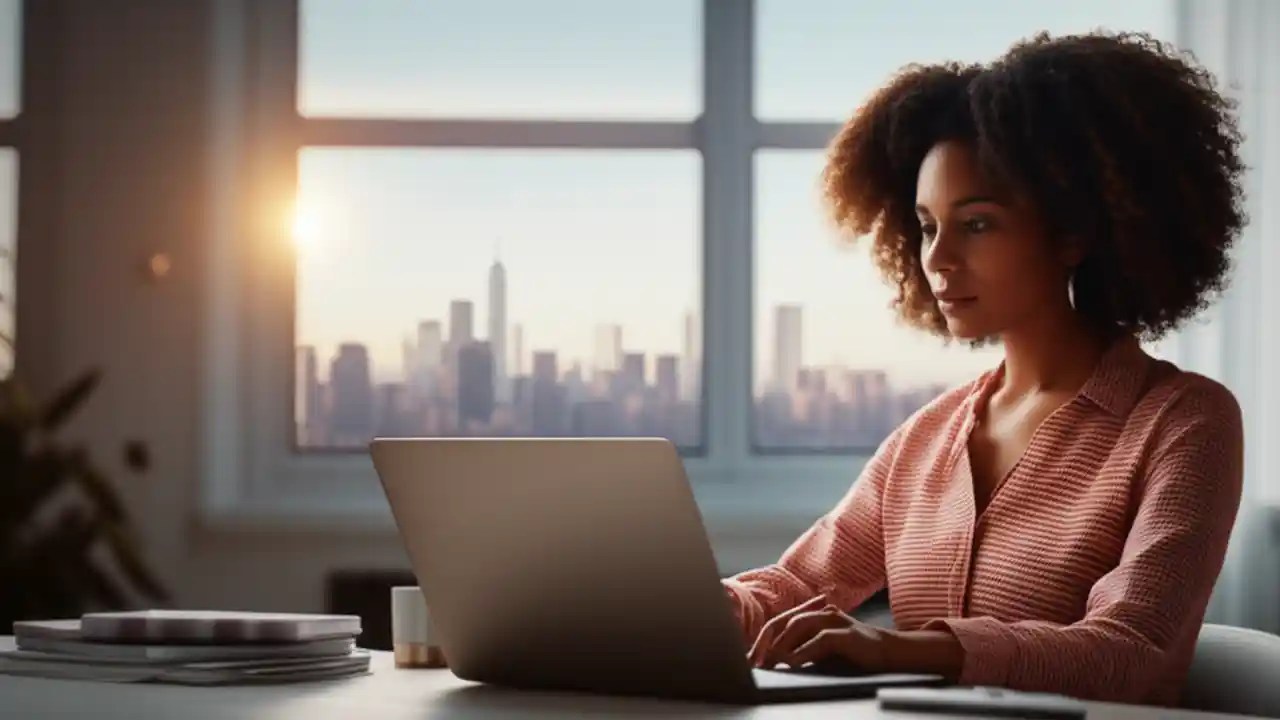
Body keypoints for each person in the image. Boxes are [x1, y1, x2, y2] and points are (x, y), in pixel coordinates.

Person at [723, 31, 1246, 707]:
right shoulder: (925, 439)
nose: (936, 260)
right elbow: (790, 588)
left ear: (1074, 231)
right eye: (925, 226)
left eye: (975, 225)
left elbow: (1136, 654)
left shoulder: (1181, 422)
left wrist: (897, 648)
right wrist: (655, 608)